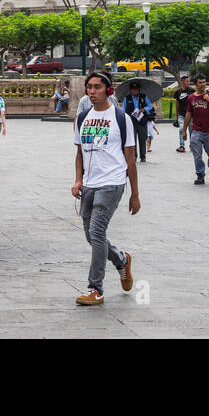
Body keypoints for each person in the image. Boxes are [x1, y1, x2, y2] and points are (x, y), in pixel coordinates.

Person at [71, 71, 138, 306]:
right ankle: (121, 260)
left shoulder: (121, 118)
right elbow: (79, 153)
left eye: (97, 87)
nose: (91, 91)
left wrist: (135, 194)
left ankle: (95, 288)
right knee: (91, 235)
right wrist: (78, 180)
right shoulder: (82, 118)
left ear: (108, 90)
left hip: (112, 183)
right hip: (89, 184)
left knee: (97, 232)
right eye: (89, 87)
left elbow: (130, 159)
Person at [181, 75, 209, 184]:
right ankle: (200, 175)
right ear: (195, 84)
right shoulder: (191, 98)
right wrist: (184, 130)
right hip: (196, 130)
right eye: (200, 82)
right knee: (197, 154)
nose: (203, 84)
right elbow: (188, 114)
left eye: (204, 82)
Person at [121, 79, 155, 163]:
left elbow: (150, 106)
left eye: (136, 89)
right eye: (133, 89)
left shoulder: (144, 97)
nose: (135, 91)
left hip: (142, 121)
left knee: (142, 139)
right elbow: (123, 110)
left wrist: (144, 109)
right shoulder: (127, 98)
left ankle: (143, 156)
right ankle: (134, 156)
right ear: (130, 90)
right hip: (131, 122)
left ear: (139, 89)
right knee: (132, 140)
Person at [173, 74, 193, 152]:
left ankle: (192, 145)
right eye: (187, 81)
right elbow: (177, 105)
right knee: (181, 129)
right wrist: (177, 116)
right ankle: (182, 146)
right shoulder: (178, 92)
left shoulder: (192, 91)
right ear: (182, 82)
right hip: (182, 114)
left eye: (189, 81)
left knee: (192, 130)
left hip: (191, 114)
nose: (188, 82)